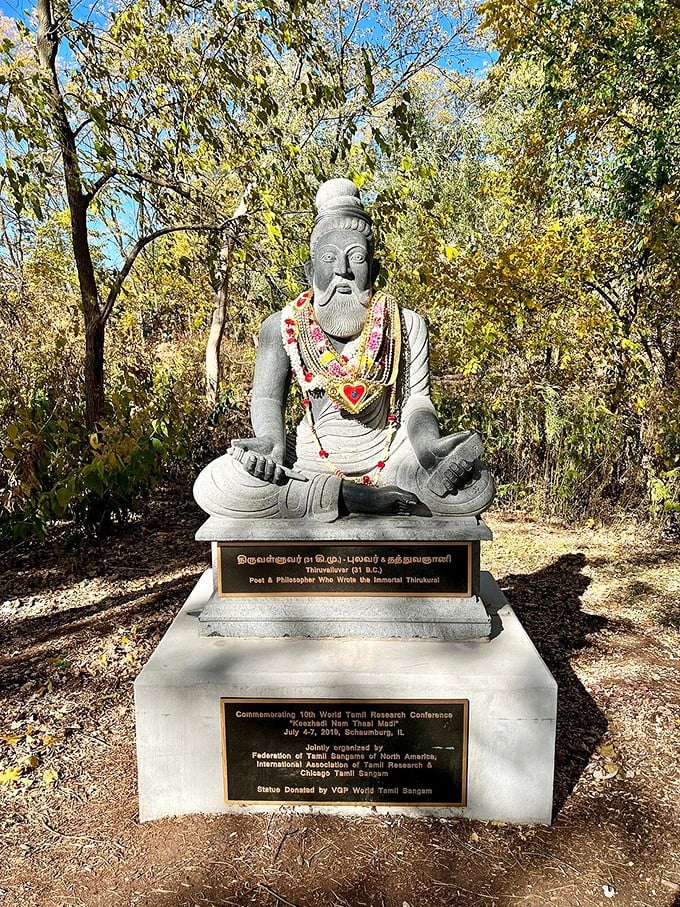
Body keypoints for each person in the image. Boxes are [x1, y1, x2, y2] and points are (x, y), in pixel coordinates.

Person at [194, 179, 495, 521]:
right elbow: (267, 399)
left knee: (476, 485)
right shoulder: (281, 326)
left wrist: (428, 448)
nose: (343, 271)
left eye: (356, 257)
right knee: (216, 483)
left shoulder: (406, 324)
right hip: (310, 457)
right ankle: (351, 497)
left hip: (391, 456)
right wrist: (270, 442)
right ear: (311, 271)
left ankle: (326, 497)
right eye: (329, 258)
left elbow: (416, 401)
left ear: (374, 270)